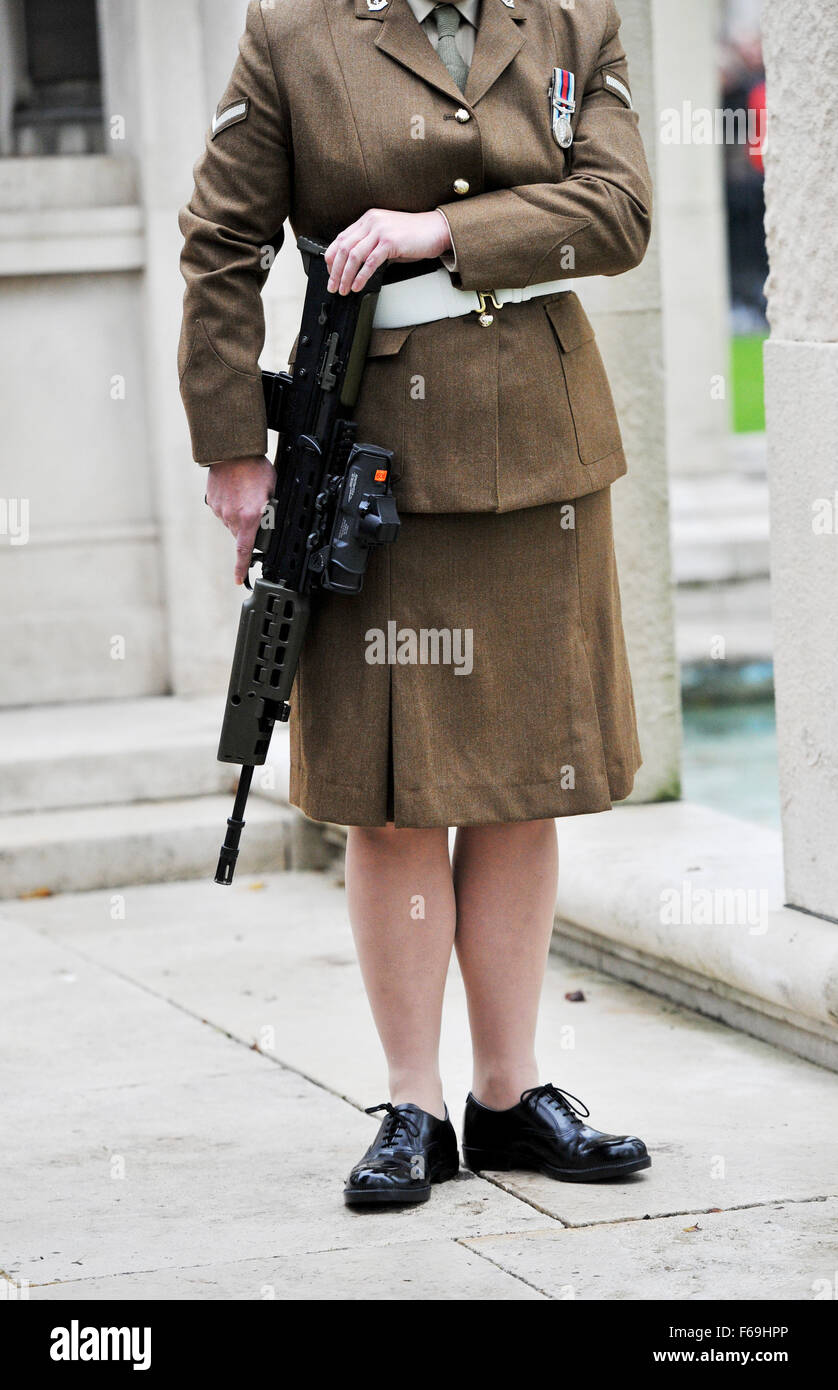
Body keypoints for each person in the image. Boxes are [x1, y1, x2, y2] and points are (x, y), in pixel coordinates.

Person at [179, 0, 653, 1206]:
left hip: (542, 455)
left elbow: (618, 210)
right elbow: (222, 242)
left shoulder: (572, 20)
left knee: (519, 779)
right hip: (370, 464)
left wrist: (439, 227)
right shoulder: (292, 34)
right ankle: (413, 1103)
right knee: (395, 793)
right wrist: (238, 459)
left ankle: (510, 1094)